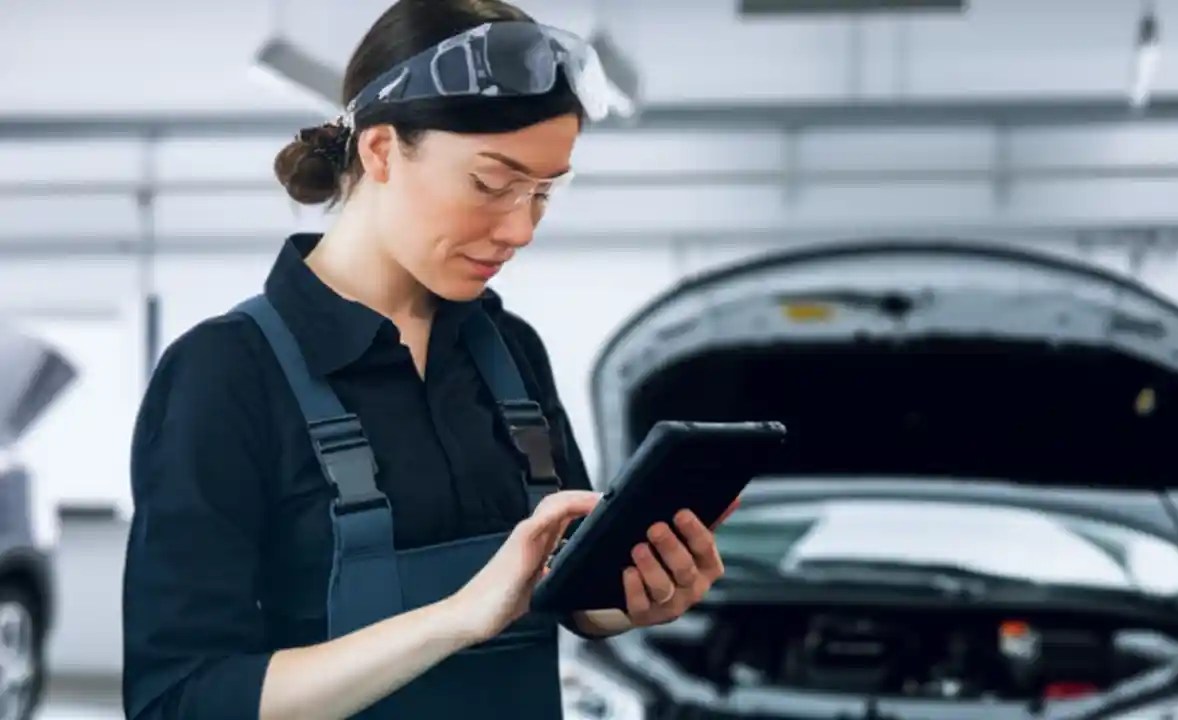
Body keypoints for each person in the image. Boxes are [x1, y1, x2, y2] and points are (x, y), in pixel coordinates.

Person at [120, 2, 738, 718]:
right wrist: (455, 620)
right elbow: (180, 699)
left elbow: (565, 590)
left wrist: (636, 595)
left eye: (543, 192)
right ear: (381, 151)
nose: (521, 229)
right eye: (492, 184)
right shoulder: (223, 376)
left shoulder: (510, 352)